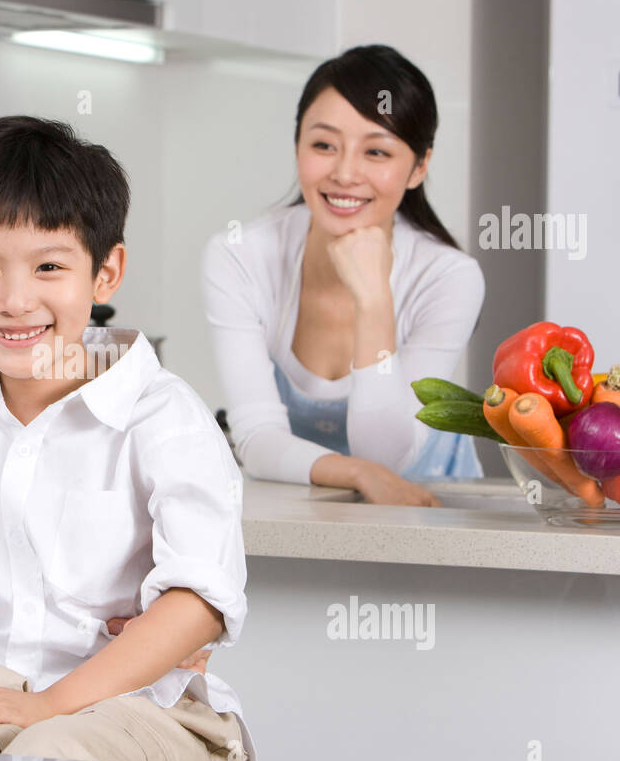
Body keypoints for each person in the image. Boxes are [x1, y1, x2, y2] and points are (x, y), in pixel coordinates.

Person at [0, 116, 252, 761]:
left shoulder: (161, 416)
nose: (16, 301)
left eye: (50, 267)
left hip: (154, 711)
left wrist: (49, 705)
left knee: (53, 755)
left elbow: (197, 601)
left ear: (106, 274)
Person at [202, 45, 485, 507]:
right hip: (303, 516)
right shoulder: (239, 256)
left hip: (431, 515)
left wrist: (373, 300)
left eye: (376, 150)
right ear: (297, 146)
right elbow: (254, 439)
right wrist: (355, 472)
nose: (345, 172)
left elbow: (385, 456)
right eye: (324, 145)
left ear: (419, 167)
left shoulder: (450, 278)